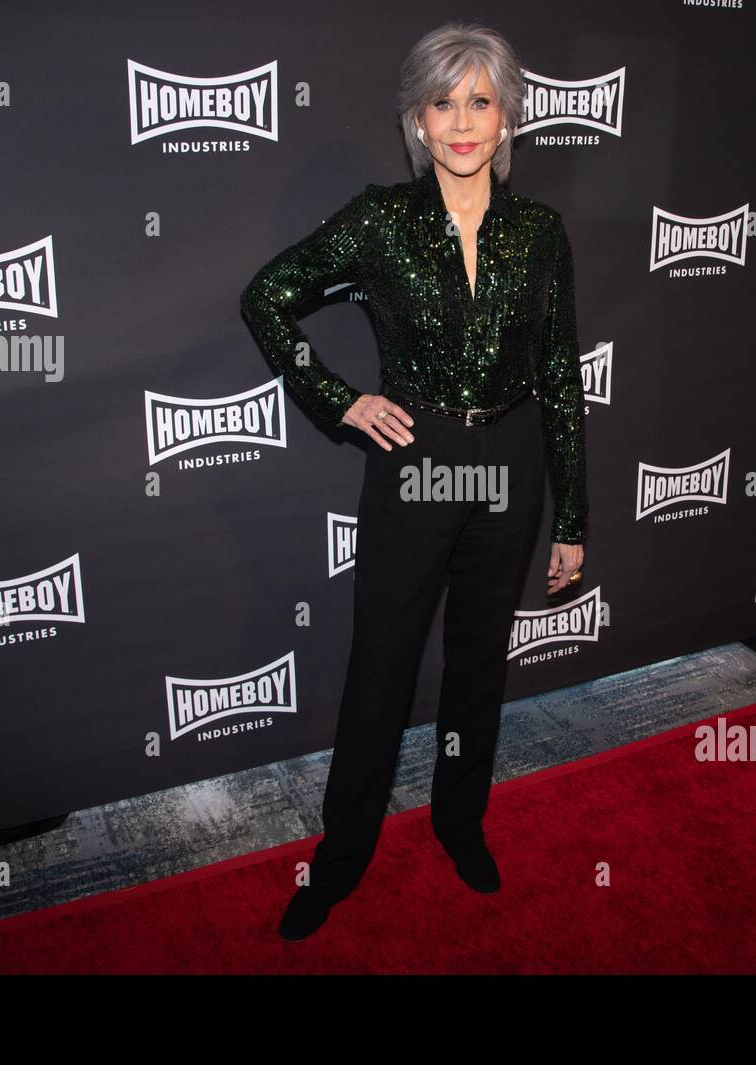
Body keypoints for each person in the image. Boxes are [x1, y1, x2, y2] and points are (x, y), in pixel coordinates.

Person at [239, 21, 588, 941]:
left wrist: (573, 515)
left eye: (481, 101)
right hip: (416, 458)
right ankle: (341, 855)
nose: (464, 121)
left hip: (510, 464)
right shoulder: (378, 220)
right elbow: (266, 296)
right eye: (445, 103)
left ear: (509, 116)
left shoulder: (541, 232)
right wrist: (339, 400)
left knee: (477, 666)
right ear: (418, 120)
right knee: (381, 671)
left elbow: (559, 376)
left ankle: (458, 821)